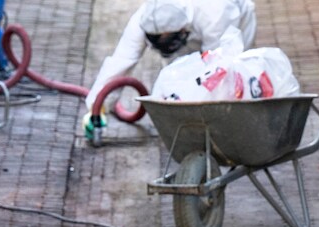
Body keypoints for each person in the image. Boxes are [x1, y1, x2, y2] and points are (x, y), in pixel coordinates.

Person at [82, 0, 257, 130]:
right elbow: (121, 61)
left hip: (235, 26)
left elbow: (218, 67)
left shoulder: (215, 14)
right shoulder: (143, 21)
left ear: (182, 30)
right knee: (178, 76)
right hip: (189, 34)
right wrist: (97, 108)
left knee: (230, 78)